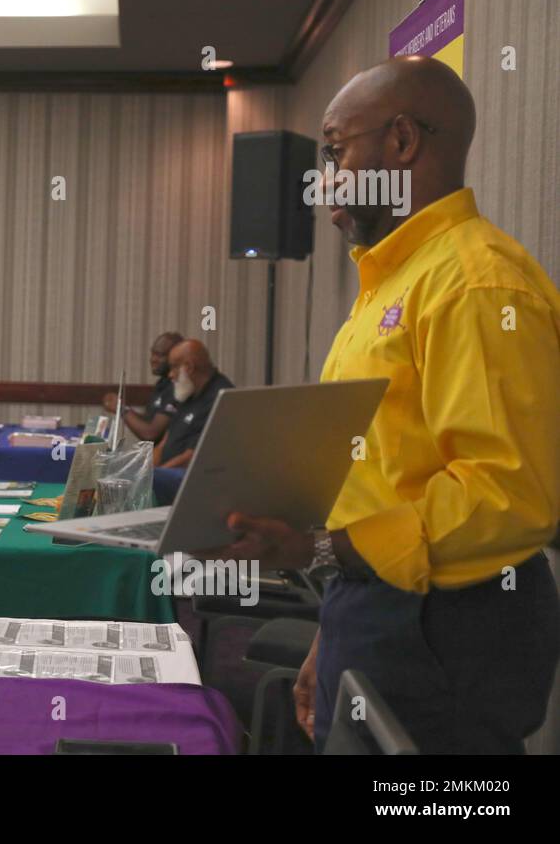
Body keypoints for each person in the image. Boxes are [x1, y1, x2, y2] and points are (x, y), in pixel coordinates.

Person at [203, 56, 560, 753]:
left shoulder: (477, 284)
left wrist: (318, 550)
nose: (323, 179)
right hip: (378, 611)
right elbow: (377, 485)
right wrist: (333, 636)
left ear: (401, 143)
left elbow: (509, 493)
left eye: (335, 152)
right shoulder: (392, 284)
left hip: (445, 630)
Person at [151, 339, 234, 504]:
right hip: (163, 478)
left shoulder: (220, 397)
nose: (170, 375)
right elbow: (164, 443)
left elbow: (193, 457)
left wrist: (154, 478)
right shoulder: (187, 391)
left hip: (189, 484)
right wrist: (145, 473)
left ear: (188, 367)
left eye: (173, 367)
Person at [102, 331, 183, 442]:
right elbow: (148, 421)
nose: (153, 359)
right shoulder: (162, 383)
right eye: (153, 353)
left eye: (160, 355)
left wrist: (121, 408)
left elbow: (150, 434)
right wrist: (122, 407)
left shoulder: (178, 388)